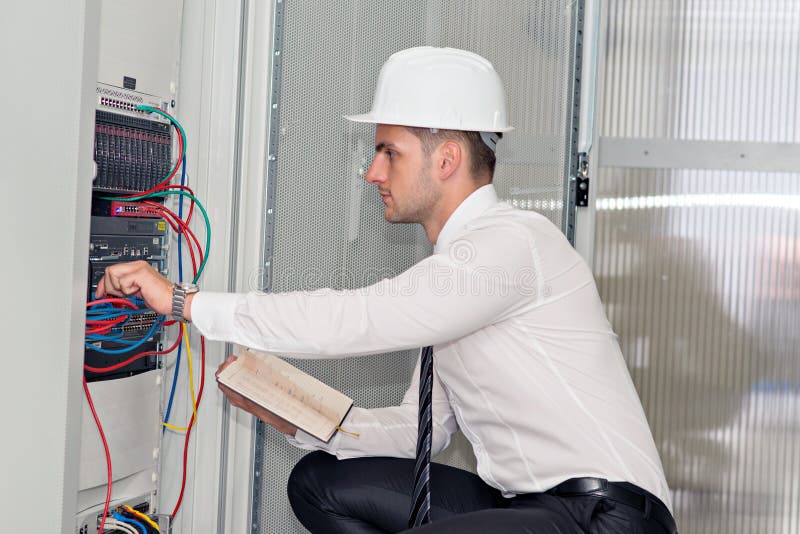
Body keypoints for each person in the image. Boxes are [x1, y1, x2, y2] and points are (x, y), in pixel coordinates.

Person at [96, 47, 677, 533]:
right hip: (523, 509)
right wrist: (294, 416)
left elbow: (359, 316)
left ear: (446, 158)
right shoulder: (459, 274)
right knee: (320, 483)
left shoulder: (509, 245)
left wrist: (184, 301)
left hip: (605, 515)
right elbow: (418, 432)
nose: (372, 172)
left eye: (389, 151)